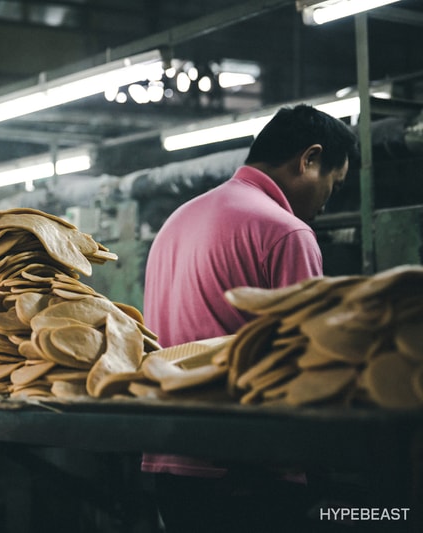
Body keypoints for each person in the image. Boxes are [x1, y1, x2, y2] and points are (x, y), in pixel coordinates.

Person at [141, 104, 360, 532]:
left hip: (166, 458)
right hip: (247, 471)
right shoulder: (285, 231)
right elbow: (306, 360)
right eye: (332, 187)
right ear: (309, 159)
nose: (324, 204)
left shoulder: (177, 220)